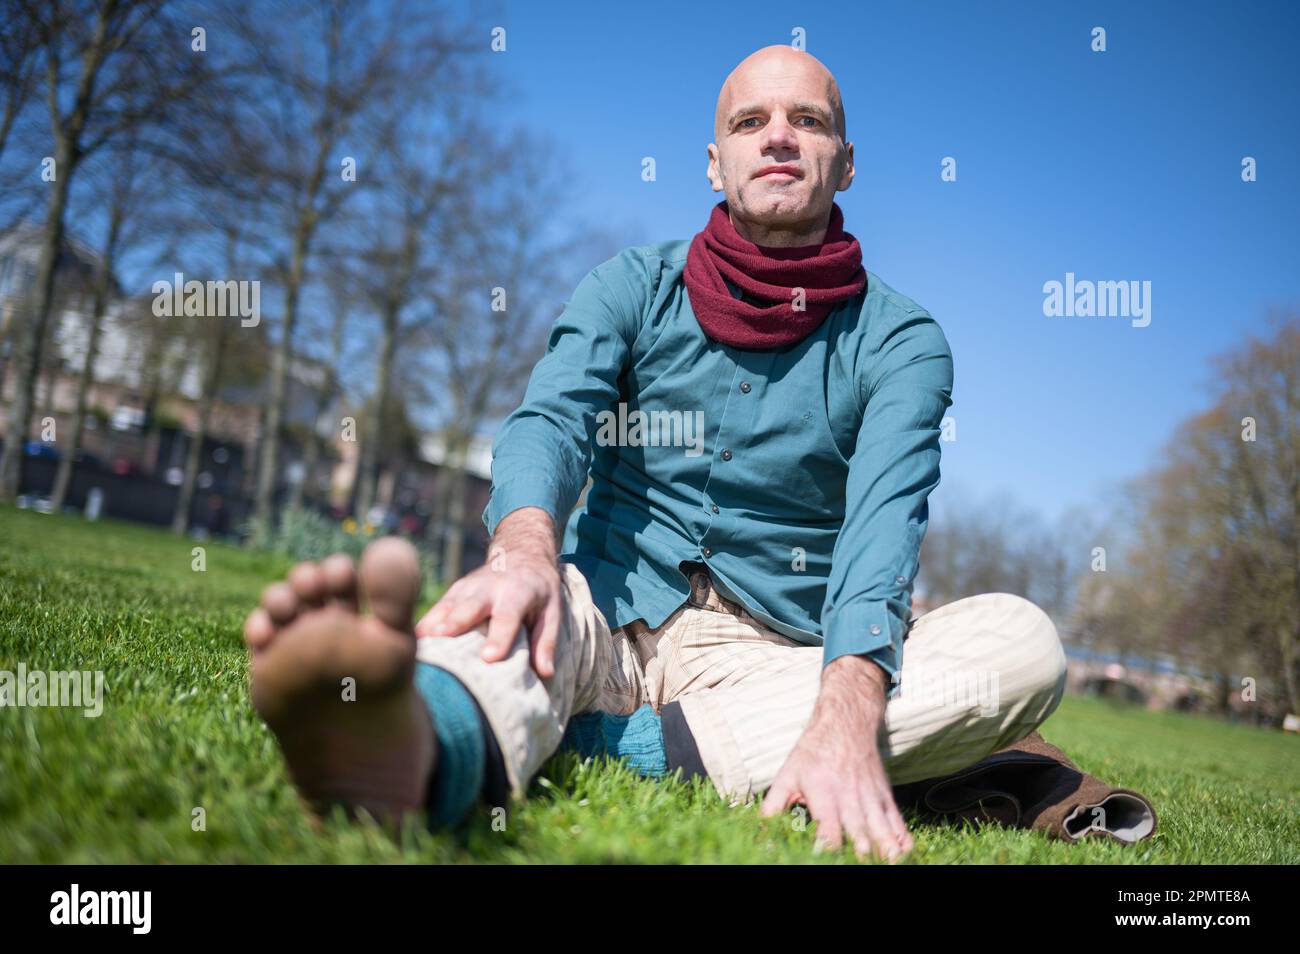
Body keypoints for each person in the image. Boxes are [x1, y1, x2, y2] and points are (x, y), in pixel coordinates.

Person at [243, 45, 1067, 861]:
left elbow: (881, 533)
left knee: (1021, 646)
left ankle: (595, 742)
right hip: (604, 615)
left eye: (808, 121)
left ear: (844, 165)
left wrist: (847, 701)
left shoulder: (902, 342)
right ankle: (414, 742)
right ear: (716, 162)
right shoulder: (630, 284)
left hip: (774, 664)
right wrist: (523, 553)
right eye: (751, 121)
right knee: (522, 608)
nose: (779, 137)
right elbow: (551, 420)